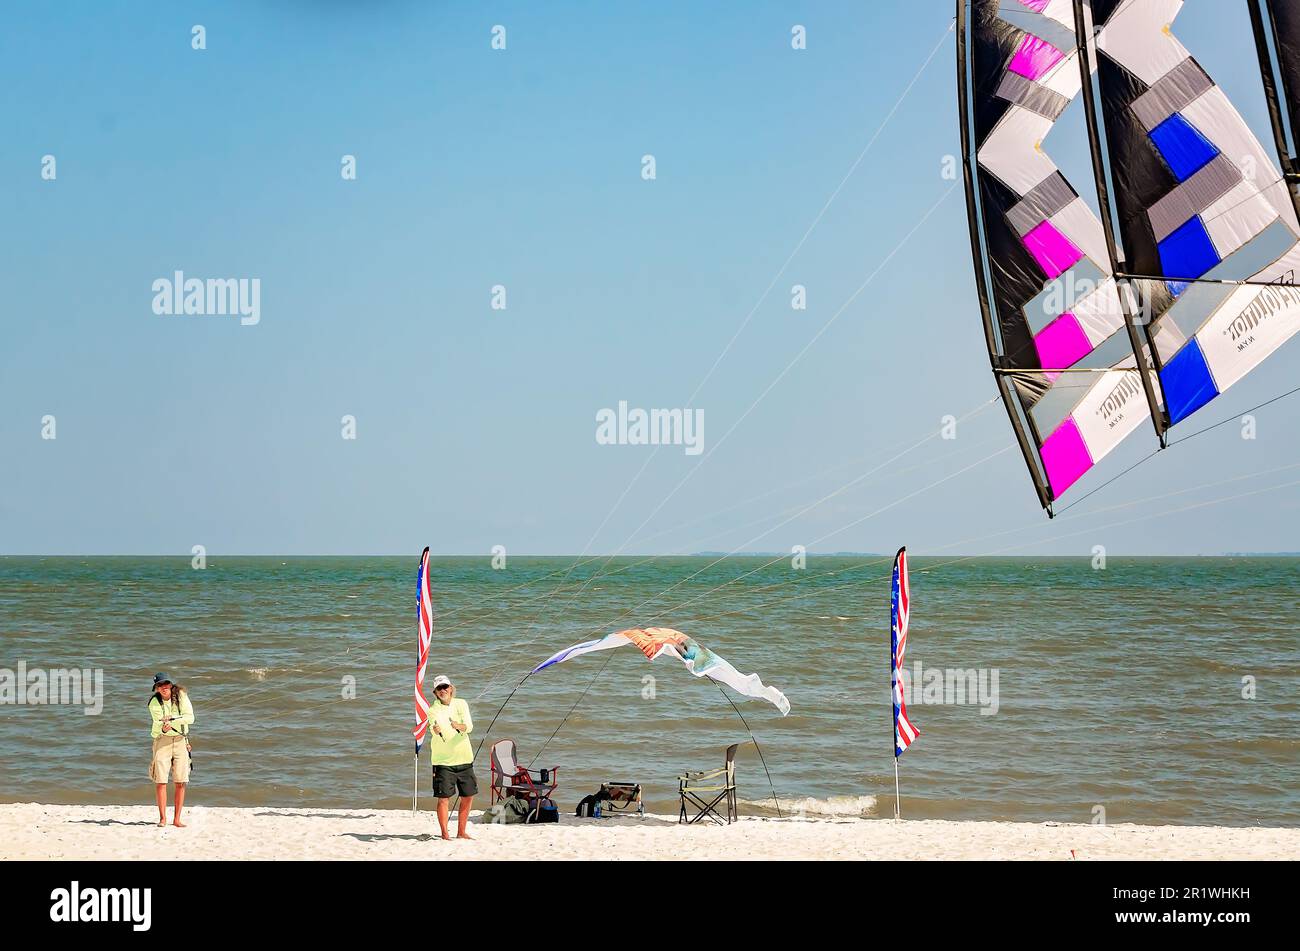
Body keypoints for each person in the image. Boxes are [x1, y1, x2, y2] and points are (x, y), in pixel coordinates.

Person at [428, 674, 476, 840]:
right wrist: (435, 730)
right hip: (443, 761)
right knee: (443, 799)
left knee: (468, 796)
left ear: (451, 688)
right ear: (435, 692)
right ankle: (444, 833)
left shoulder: (461, 703)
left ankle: (461, 832)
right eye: (439, 688)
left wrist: (458, 726)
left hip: (464, 758)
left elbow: (469, 726)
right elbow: (433, 727)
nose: (443, 691)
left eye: (445, 687)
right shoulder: (433, 709)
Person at [148, 672, 194, 828]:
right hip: (162, 740)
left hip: (181, 740)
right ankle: (162, 819)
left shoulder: (181, 695)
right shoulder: (154, 702)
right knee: (161, 781)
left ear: (171, 684)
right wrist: (164, 727)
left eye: (166, 684)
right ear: (156, 688)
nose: (164, 687)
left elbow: (190, 718)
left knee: (180, 781)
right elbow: (157, 725)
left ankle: (177, 819)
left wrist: (173, 721)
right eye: (160, 685)